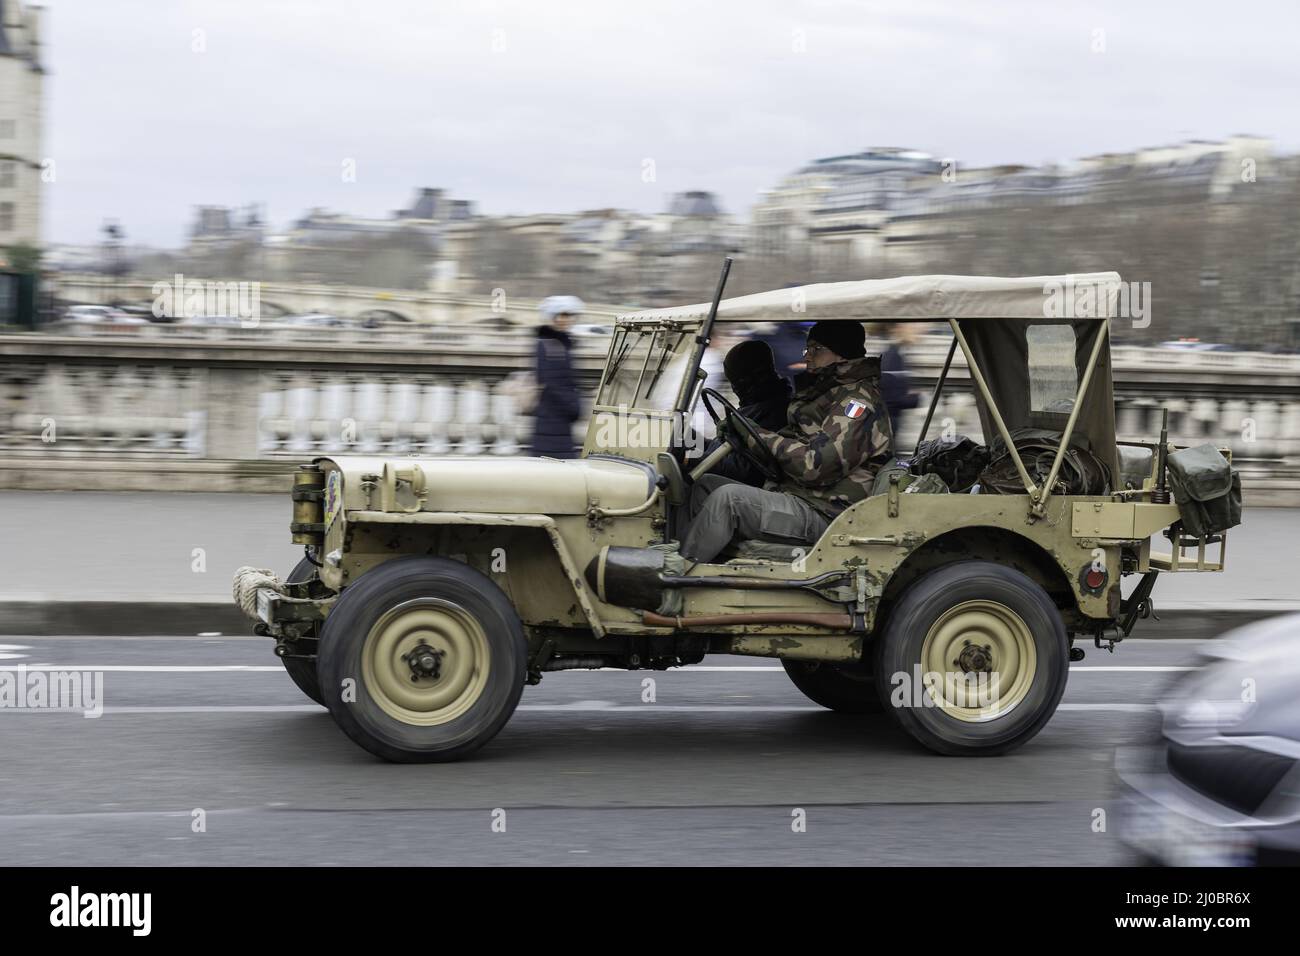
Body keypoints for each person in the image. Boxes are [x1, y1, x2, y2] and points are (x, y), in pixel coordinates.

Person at [679, 320, 894, 564]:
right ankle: (680, 555)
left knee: (729, 499)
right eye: (808, 349)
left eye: (816, 350)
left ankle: (678, 575)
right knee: (703, 485)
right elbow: (790, 445)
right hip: (799, 496)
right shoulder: (826, 394)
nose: (808, 357)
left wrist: (755, 434)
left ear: (841, 354)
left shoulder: (857, 403)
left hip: (827, 513)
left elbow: (816, 466)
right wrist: (750, 438)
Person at [702, 340, 792, 486]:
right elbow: (728, 446)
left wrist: (692, 459)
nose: (734, 389)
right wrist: (694, 440)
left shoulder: (778, 412)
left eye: (736, 382)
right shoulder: (757, 405)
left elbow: (746, 472)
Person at [530, 295, 584, 459]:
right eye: (562, 315)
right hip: (555, 420)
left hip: (553, 420)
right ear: (552, 317)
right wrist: (574, 408)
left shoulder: (556, 343)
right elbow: (555, 383)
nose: (566, 320)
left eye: (568, 316)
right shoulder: (552, 346)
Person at [880, 321, 921, 435]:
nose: (916, 329)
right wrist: (919, 398)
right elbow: (893, 399)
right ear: (899, 328)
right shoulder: (893, 357)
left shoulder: (894, 354)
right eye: (912, 325)